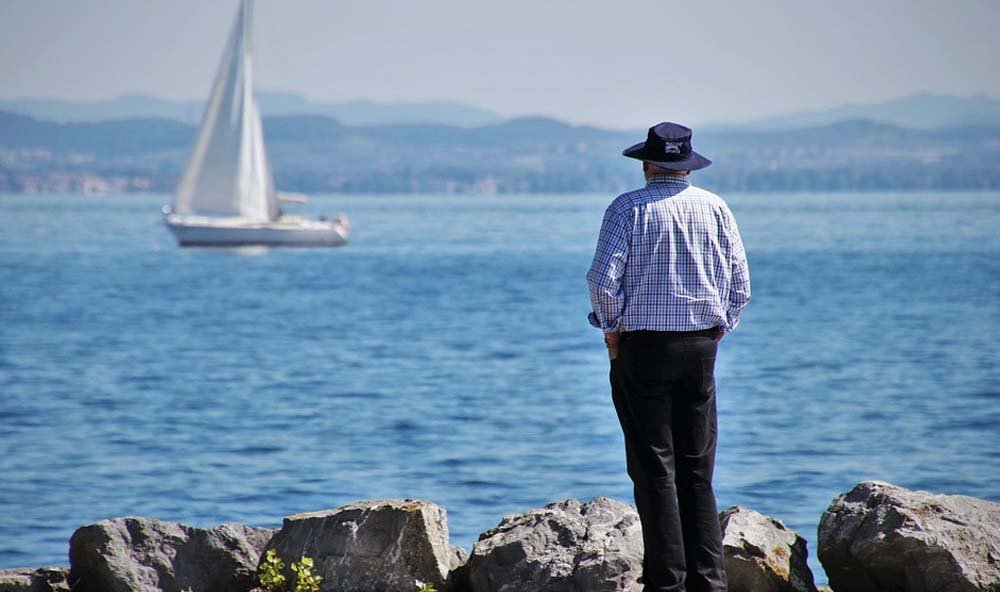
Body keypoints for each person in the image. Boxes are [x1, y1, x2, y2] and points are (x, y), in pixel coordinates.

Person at [586, 122, 750, 592]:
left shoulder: (627, 208)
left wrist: (612, 331)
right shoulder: (716, 207)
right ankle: (709, 583)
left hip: (643, 348)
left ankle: (667, 585)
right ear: (687, 164)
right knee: (697, 471)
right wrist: (721, 327)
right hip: (701, 346)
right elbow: (741, 284)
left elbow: (601, 281)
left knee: (655, 468)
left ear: (647, 163)